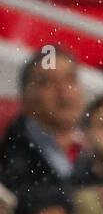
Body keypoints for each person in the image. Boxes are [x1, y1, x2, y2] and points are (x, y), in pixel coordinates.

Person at [0, 47, 85, 195]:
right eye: (47, 82)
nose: (64, 92)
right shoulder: (12, 150)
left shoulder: (95, 142)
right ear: (26, 96)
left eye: (70, 79)